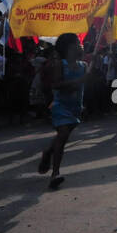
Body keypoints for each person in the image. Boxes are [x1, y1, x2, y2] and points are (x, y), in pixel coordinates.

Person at [37, 33, 87, 190]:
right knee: (63, 135)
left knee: (62, 137)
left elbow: (88, 83)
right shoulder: (60, 64)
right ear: (68, 48)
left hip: (75, 108)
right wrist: (77, 82)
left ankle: (48, 152)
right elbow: (56, 85)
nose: (81, 46)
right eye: (77, 43)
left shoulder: (84, 66)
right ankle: (55, 173)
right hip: (60, 106)